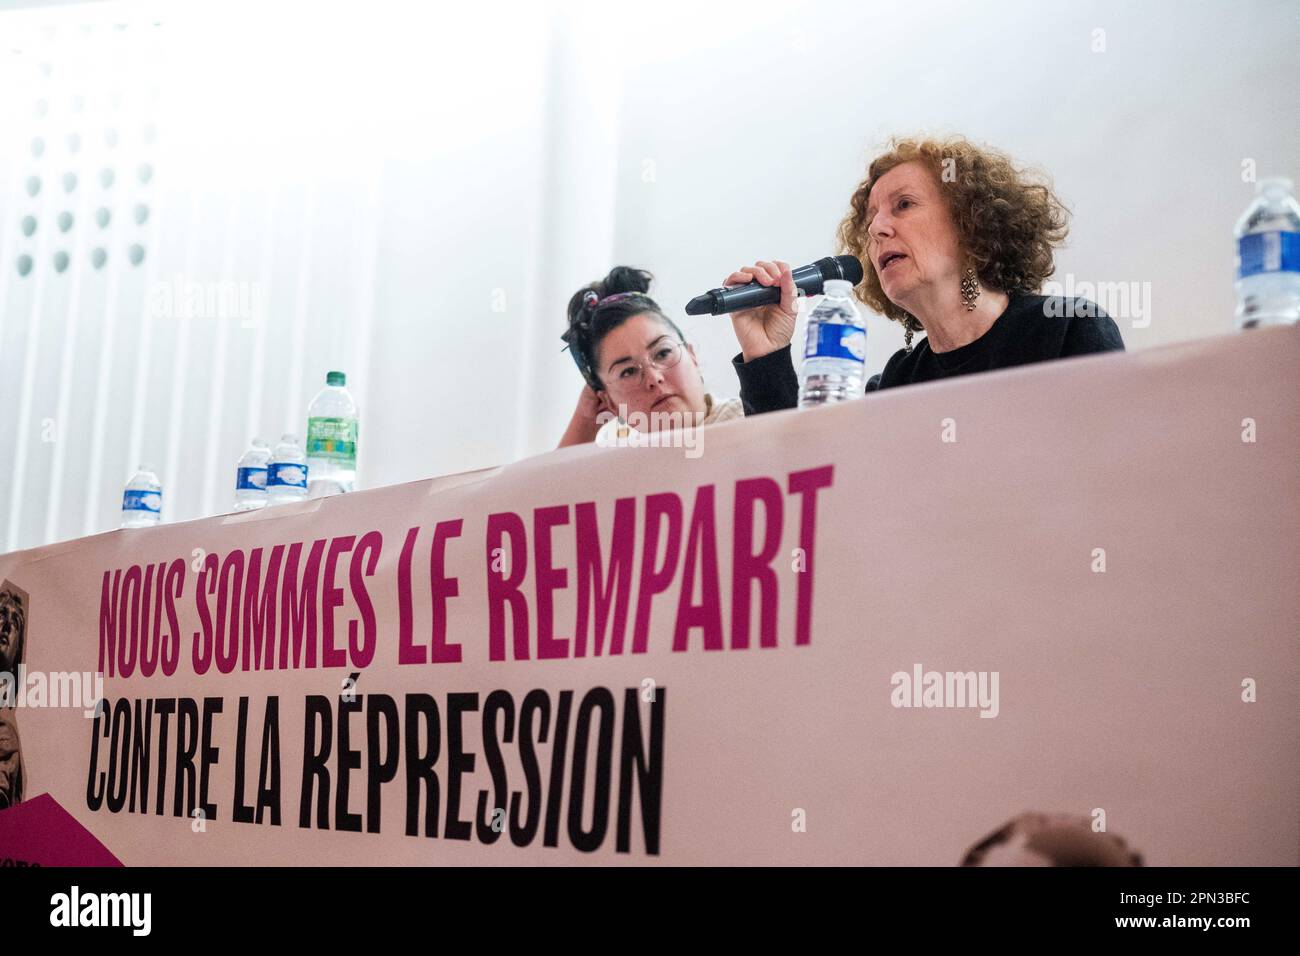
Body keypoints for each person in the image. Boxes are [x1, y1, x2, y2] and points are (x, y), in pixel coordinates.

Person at [726, 135, 1126, 413]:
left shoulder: (1066, 330)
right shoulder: (895, 386)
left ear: (972, 222)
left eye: (903, 204)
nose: (878, 228)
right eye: (871, 221)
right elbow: (811, 482)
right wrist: (765, 353)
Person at [558, 266, 743, 447]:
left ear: (692, 356)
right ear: (609, 403)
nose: (653, 378)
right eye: (628, 371)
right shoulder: (615, 459)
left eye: (663, 353)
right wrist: (583, 423)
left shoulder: (754, 418)